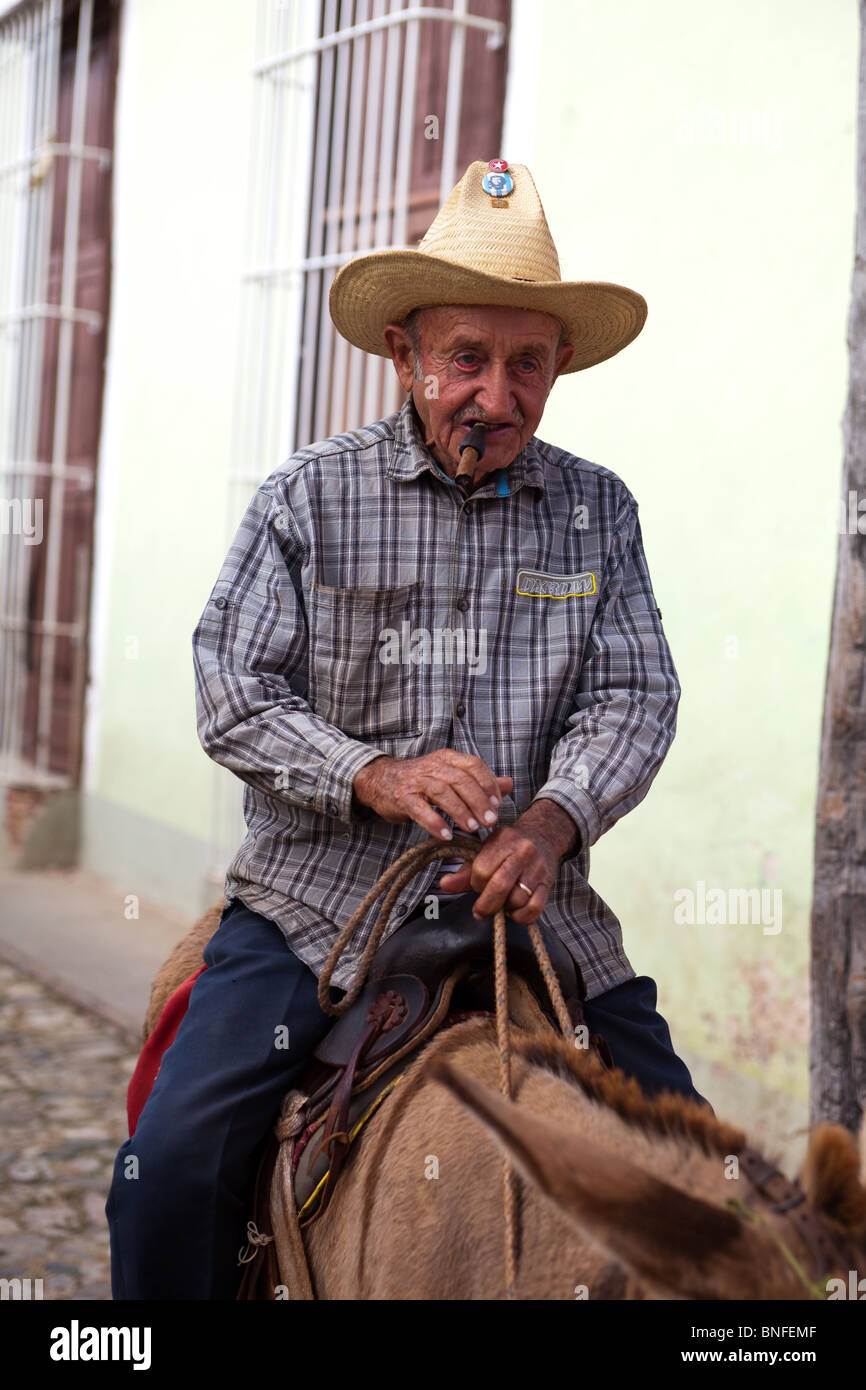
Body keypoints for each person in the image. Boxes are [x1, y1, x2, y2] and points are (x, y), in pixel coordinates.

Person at [106, 159, 709, 1301]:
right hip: (316, 906)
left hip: (536, 912)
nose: (496, 392)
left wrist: (548, 818)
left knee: (705, 1181)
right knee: (170, 1168)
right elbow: (229, 687)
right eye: (465, 358)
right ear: (403, 354)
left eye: (526, 362)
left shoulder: (598, 510)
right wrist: (371, 774)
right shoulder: (307, 499)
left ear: (558, 365)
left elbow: (636, 695)